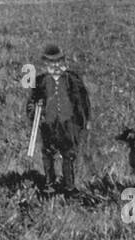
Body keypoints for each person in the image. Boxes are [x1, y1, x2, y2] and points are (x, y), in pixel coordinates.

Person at [26, 44, 90, 191]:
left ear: (63, 62)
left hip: (68, 124)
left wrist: (85, 121)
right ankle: (50, 184)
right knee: (48, 153)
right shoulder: (40, 81)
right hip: (48, 124)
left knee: (69, 154)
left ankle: (69, 186)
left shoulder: (72, 79)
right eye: (51, 63)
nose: (55, 66)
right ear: (46, 64)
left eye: (58, 62)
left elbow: (82, 101)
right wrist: (35, 112)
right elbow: (31, 102)